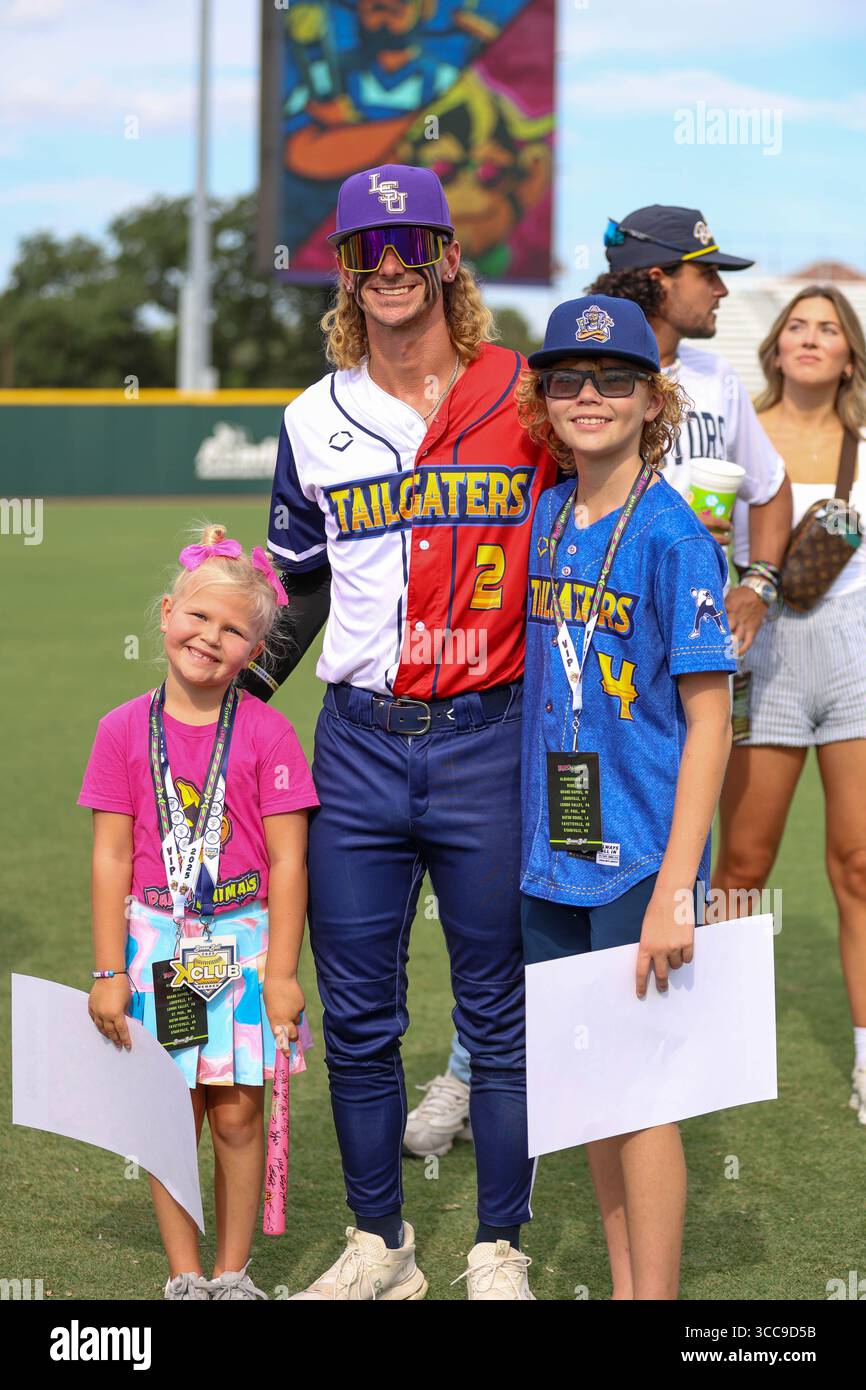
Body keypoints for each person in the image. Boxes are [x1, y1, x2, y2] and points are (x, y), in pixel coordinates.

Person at [238, 162, 557, 1300]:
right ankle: (382, 1242)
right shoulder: (310, 417)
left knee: (497, 1007)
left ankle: (495, 1244)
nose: (387, 268)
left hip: (489, 732)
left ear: (445, 260)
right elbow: (297, 586)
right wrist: (223, 712)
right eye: (366, 251)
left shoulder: (522, 394)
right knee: (358, 1010)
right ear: (342, 269)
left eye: (408, 246)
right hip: (359, 741)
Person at [515, 295, 736, 1299]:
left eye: (614, 379)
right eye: (567, 378)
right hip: (553, 847)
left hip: (640, 852)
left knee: (642, 1091)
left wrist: (676, 887)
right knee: (591, 1087)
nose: (589, 394)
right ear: (544, 398)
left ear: (655, 400)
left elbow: (709, 721)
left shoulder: (673, 533)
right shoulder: (549, 513)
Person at [80, 525, 319, 1300]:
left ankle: (231, 1274)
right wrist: (109, 970)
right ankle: (184, 1274)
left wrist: (282, 974)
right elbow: (111, 858)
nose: (209, 639)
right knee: (168, 1115)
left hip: (243, 946)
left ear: (255, 652)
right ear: (165, 613)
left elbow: (289, 862)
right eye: (198, 618)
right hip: (154, 945)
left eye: (233, 631)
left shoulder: (268, 731)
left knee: (239, 1118)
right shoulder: (121, 730)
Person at [712, 285, 866, 1125]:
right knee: (740, 869)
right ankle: (715, 1043)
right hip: (760, 669)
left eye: (829, 330)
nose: (811, 341)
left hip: (856, 676)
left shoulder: (864, 444)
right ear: (774, 347)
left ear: (849, 354)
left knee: (859, 865)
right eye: (798, 328)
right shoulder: (740, 436)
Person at [589, 204, 792, 653]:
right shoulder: (580, 380)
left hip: (702, 629)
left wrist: (758, 586)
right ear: (659, 279)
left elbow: (771, 488)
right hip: (605, 630)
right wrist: (670, 530)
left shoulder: (716, 375)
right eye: (708, 274)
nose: (721, 290)